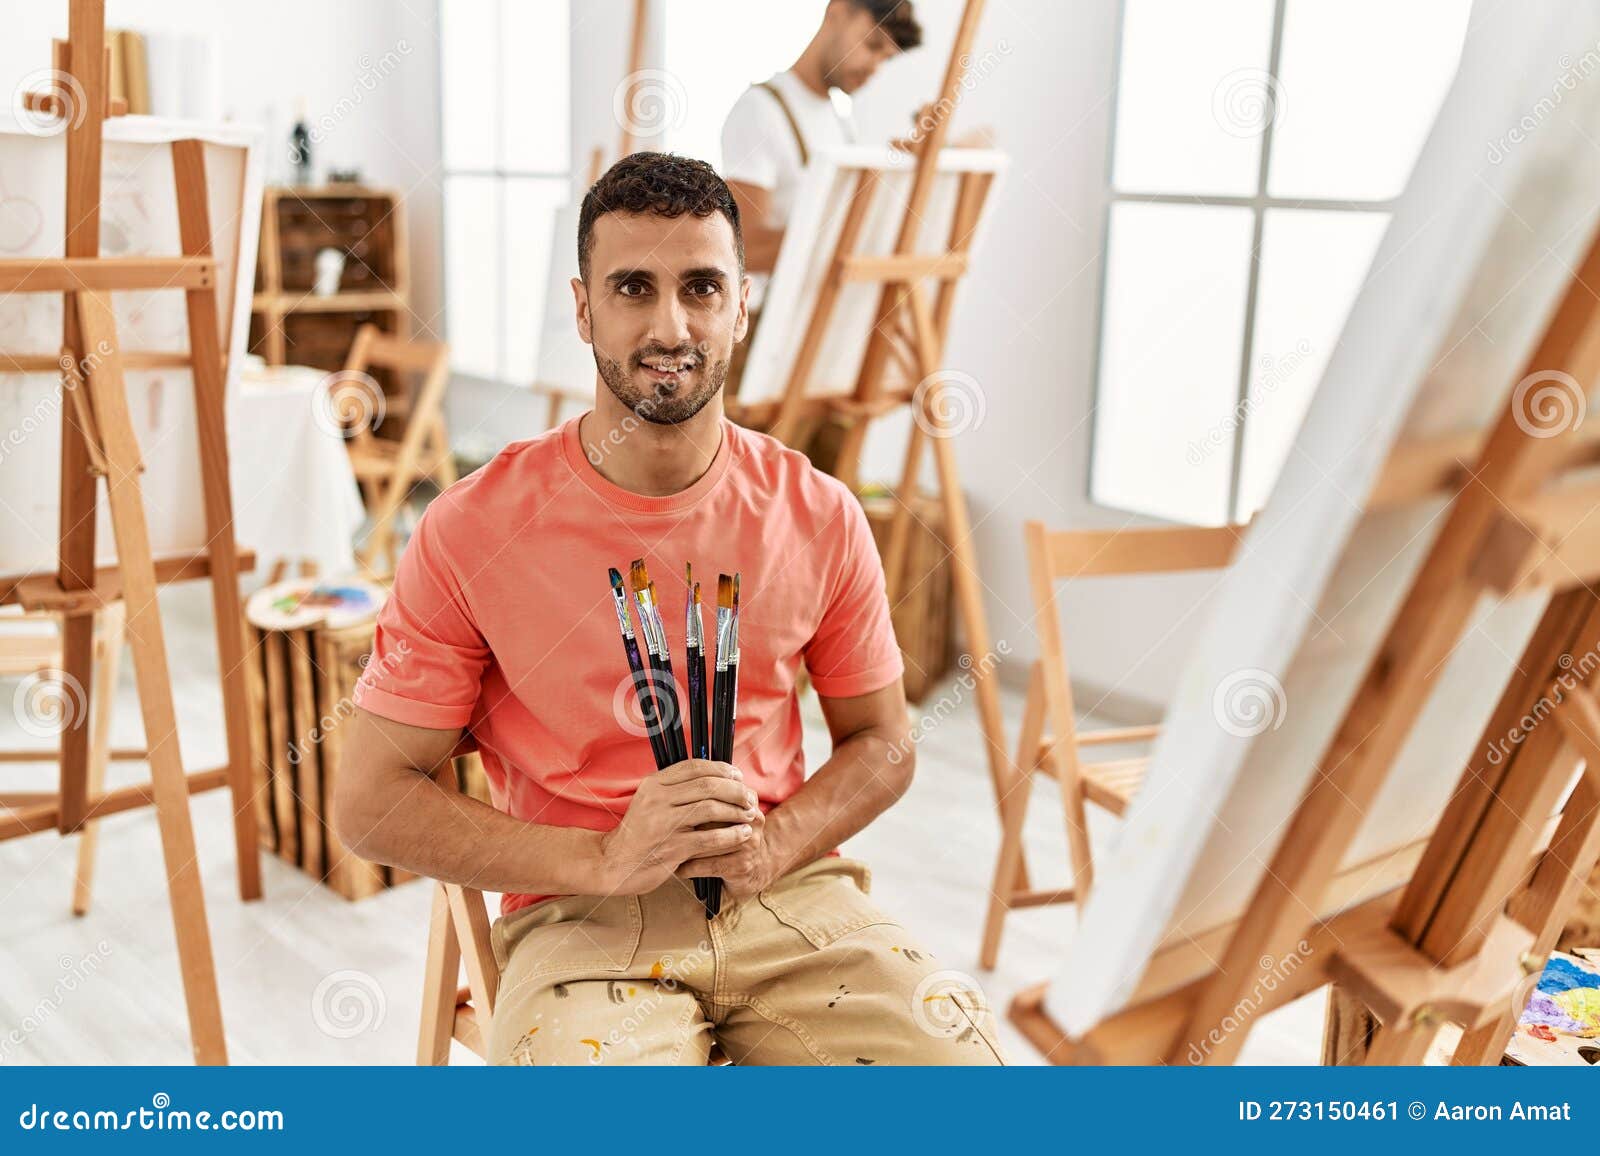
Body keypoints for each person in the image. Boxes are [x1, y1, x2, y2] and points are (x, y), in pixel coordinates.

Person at [334, 152, 1004, 1067]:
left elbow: (884, 743)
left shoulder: (818, 512)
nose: (670, 323)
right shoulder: (471, 527)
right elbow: (369, 804)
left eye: (700, 286)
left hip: (789, 895)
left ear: (740, 303)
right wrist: (605, 859)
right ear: (583, 310)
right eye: (633, 287)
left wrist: (776, 845)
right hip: (581, 920)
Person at [718, 0, 922, 434]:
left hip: (825, 342)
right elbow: (744, 249)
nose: (873, 68)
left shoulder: (838, 120)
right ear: (838, 11)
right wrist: (840, 233)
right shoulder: (763, 110)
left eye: (886, 60)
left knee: (822, 493)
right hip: (767, 350)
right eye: (871, 46)